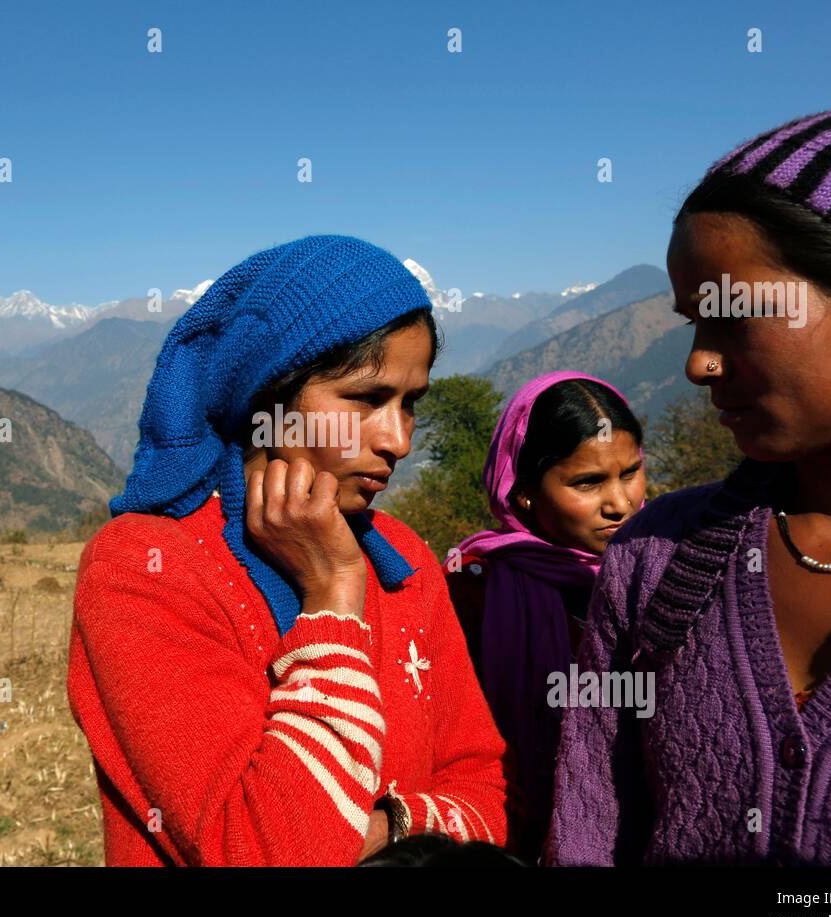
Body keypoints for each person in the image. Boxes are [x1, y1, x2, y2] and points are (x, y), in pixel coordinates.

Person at [547, 106, 831, 865]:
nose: (698, 365)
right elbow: (588, 834)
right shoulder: (654, 563)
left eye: (734, 318)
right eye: (693, 326)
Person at [66, 234, 511, 865]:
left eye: (411, 404)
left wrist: (386, 830)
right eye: (365, 399)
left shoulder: (404, 560)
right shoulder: (146, 568)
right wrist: (332, 596)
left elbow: (484, 791)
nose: (398, 440)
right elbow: (266, 848)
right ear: (267, 398)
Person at [444, 372, 646, 862]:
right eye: (587, 482)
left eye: (630, 472)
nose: (619, 504)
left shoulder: (666, 576)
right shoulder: (473, 594)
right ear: (524, 490)